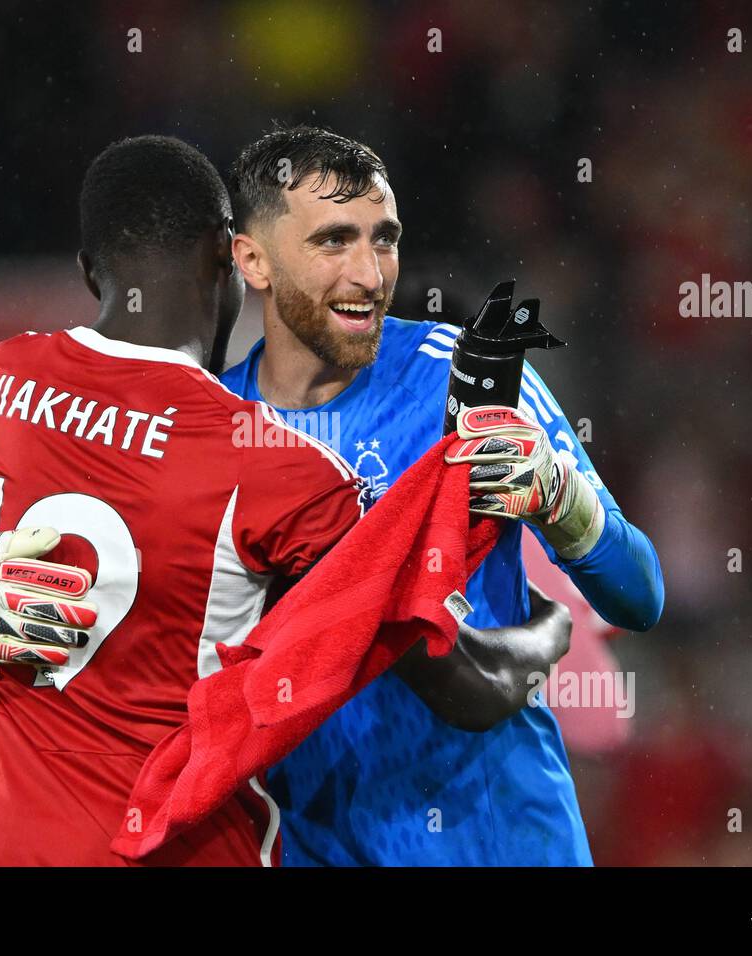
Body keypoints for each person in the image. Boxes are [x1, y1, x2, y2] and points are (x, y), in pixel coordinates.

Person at [0, 135, 375, 866]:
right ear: (227, 260)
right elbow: (441, 673)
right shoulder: (285, 472)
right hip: (171, 850)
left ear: (88, 271)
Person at [214, 125, 665, 865]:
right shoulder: (212, 430)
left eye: (383, 239)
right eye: (333, 242)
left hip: (506, 844)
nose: (369, 274)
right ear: (253, 259)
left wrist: (561, 501)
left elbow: (639, 595)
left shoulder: (460, 380)